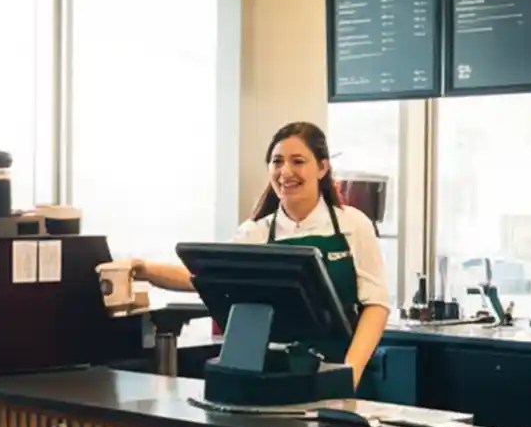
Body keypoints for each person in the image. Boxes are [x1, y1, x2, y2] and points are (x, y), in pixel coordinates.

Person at [132, 121, 391, 391]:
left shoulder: (354, 225)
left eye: (298, 161)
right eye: (277, 162)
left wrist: (349, 373)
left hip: (339, 372)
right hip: (272, 376)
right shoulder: (254, 232)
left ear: (322, 167)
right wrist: (145, 270)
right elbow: (205, 277)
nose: (285, 171)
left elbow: (376, 305)